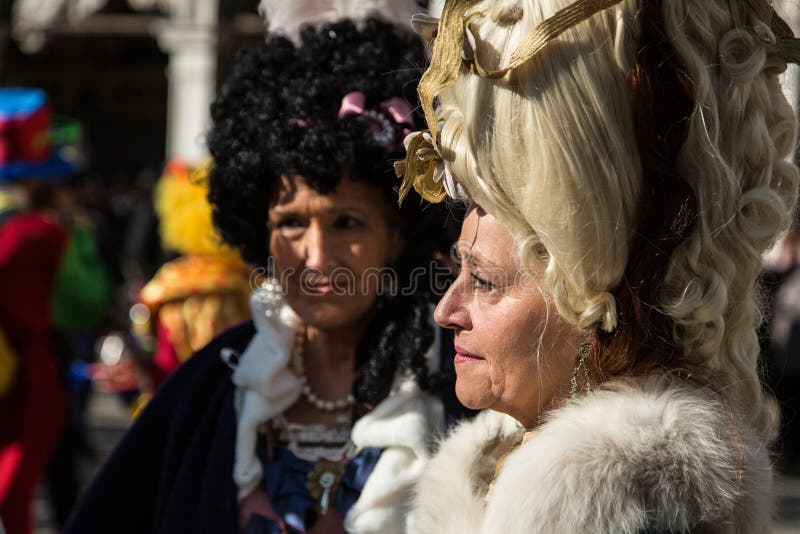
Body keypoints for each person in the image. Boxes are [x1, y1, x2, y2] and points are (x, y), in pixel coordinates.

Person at [398, 0, 800, 531]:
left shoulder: (623, 510)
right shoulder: (505, 469)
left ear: (592, 307)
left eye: (486, 281)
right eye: (459, 273)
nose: (446, 312)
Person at [66, 12, 451, 534]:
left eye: (347, 223)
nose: (316, 256)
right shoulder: (211, 385)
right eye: (291, 223)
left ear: (399, 232)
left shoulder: (457, 383)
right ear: (261, 233)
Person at [0, 88, 108, 534]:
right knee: (23, 484)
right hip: (30, 370)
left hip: (23, 367)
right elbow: (86, 302)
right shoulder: (49, 233)